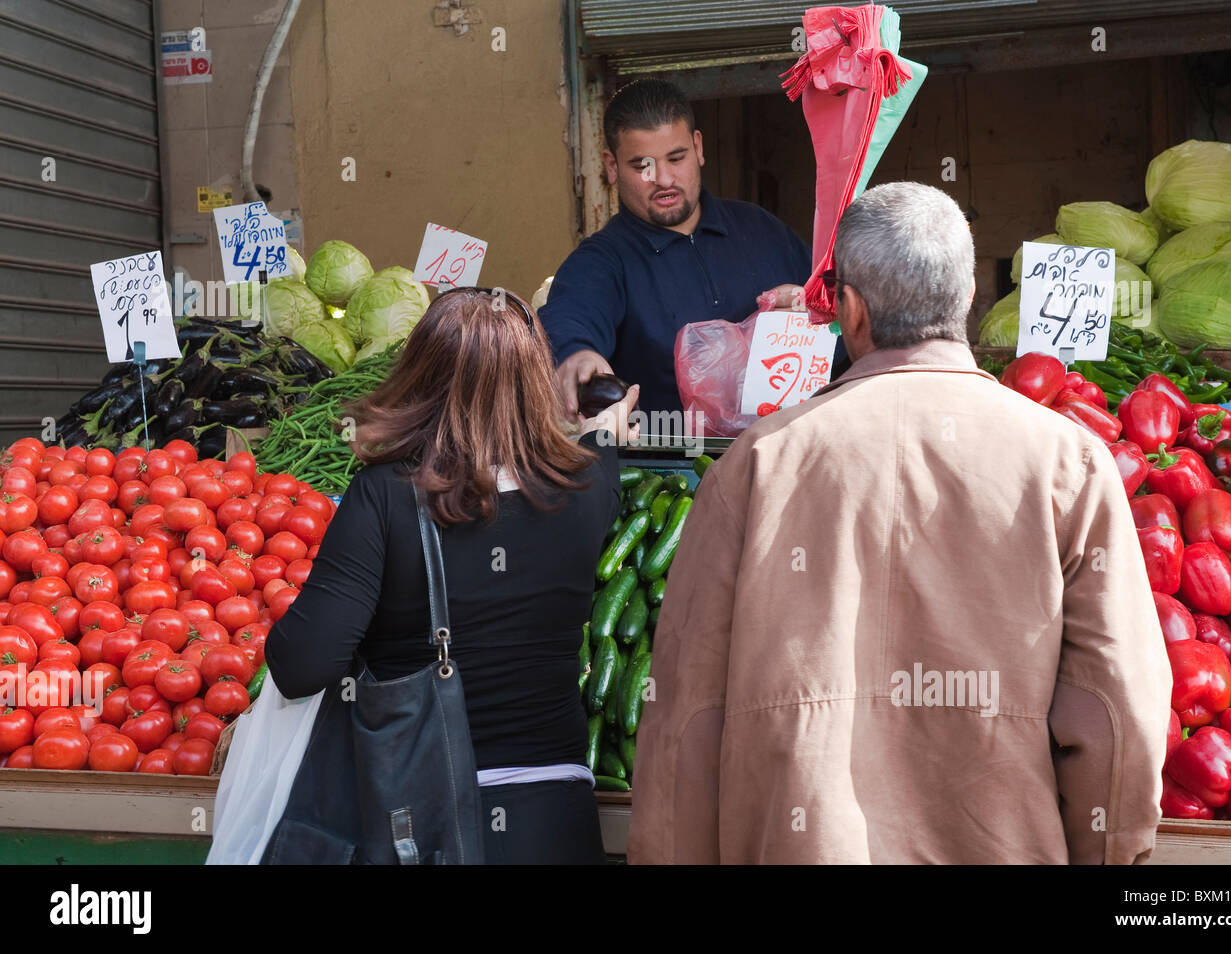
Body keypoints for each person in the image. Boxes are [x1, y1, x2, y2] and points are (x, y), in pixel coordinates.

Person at [627, 182, 1173, 865]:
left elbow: (686, 717)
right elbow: (1117, 708)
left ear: (849, 310)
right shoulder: (1071, 463)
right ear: (970, 295)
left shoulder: (755, 464)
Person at [264, 287, 638, 865]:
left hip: (421, 820)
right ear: (537, 379)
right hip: (556, 823)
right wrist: (605, 425)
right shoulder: (586, 492)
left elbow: (302, 667)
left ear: (417, 377)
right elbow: (601, 448)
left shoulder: (382, 498)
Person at [541, 78, 817, 419]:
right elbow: (568, 318)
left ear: (698, 148)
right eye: (643, 165)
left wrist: (811, 305)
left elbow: (844, 312)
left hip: (777, 453)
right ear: (611, 166)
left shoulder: (759, 227)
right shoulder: (602, 259)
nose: (665, 180)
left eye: (676, 158)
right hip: (673, 467)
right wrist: (575, 354)